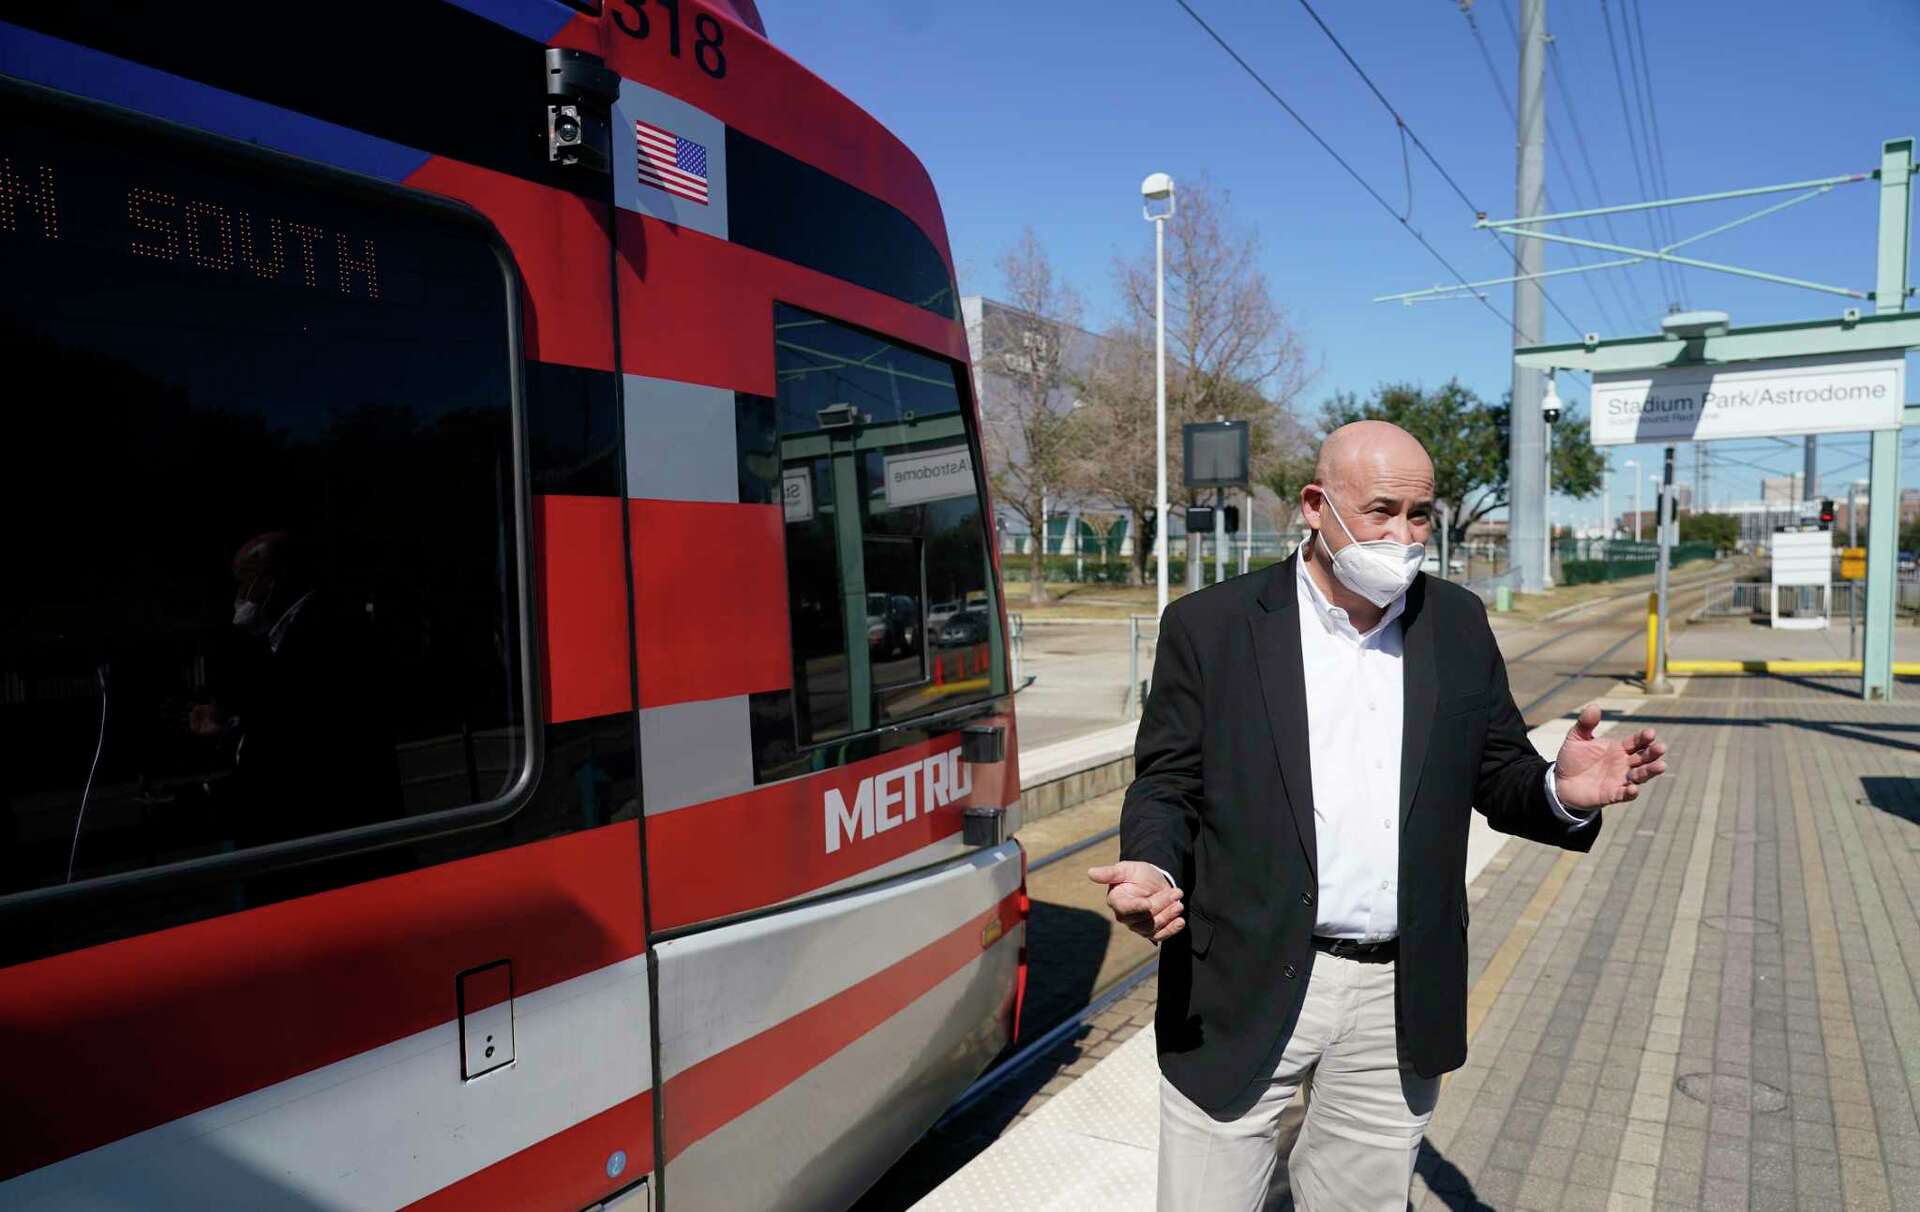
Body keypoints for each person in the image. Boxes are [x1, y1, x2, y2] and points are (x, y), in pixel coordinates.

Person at [1088, 420, 1669, 1211]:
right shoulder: (1211, 627)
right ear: (1315, 506)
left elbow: (1498, 773)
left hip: (1397, 996)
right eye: (1381, 511)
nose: (1403, 535)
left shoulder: (1456, 622)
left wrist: (1560, 792)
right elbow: (1167, 783)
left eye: (1420, 515)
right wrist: (1152, 867)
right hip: (1240, 983)